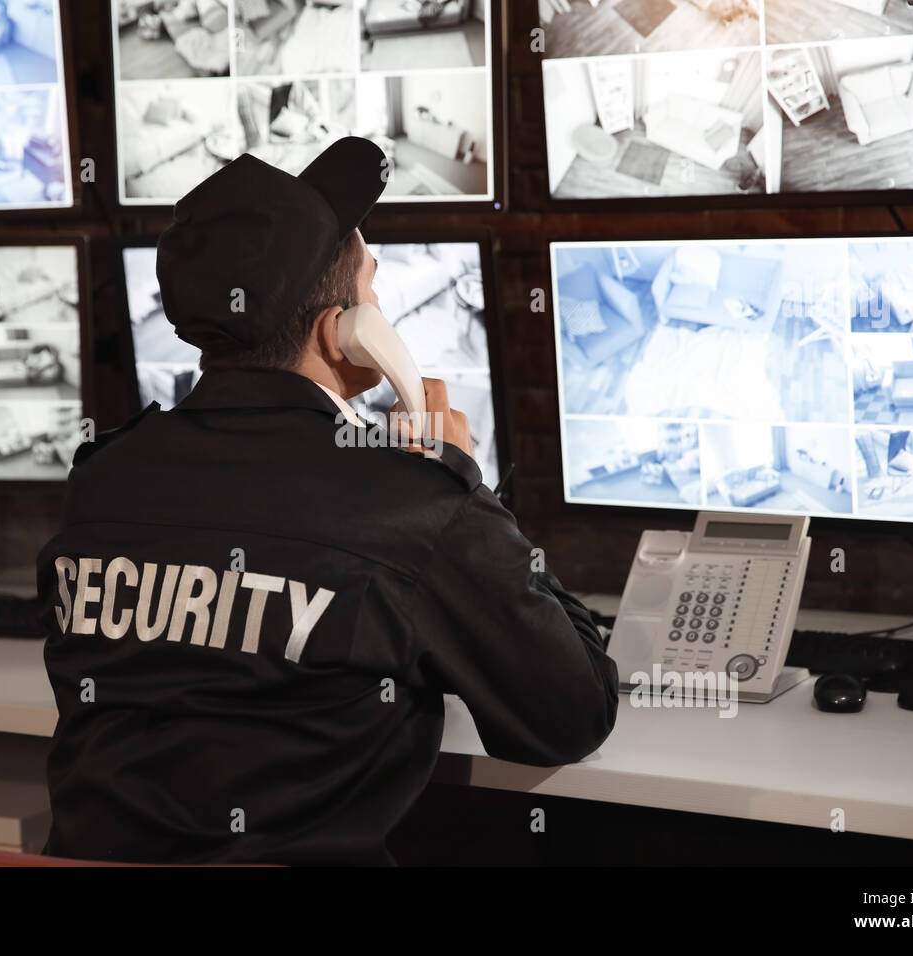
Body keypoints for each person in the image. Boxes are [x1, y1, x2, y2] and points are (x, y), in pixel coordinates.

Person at [38, 136, 618, 865]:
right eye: (372, 287)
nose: (379, 302)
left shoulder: (103, 480)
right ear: (342, 332)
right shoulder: (408, 502)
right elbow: (572, 714)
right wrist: (464, 482)